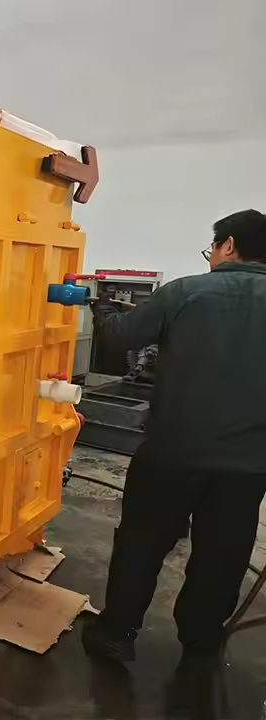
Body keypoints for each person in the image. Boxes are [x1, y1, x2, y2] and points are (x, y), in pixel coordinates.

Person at [82, 209, 266, 665]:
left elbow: (119, 337)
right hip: (249, 464)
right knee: (224, 551)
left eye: (212, 249)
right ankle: (201, 638)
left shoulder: (186, 291)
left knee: (142, 541)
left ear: (227, 245)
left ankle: (117, 632)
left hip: (172, 453)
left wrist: (101, 304)